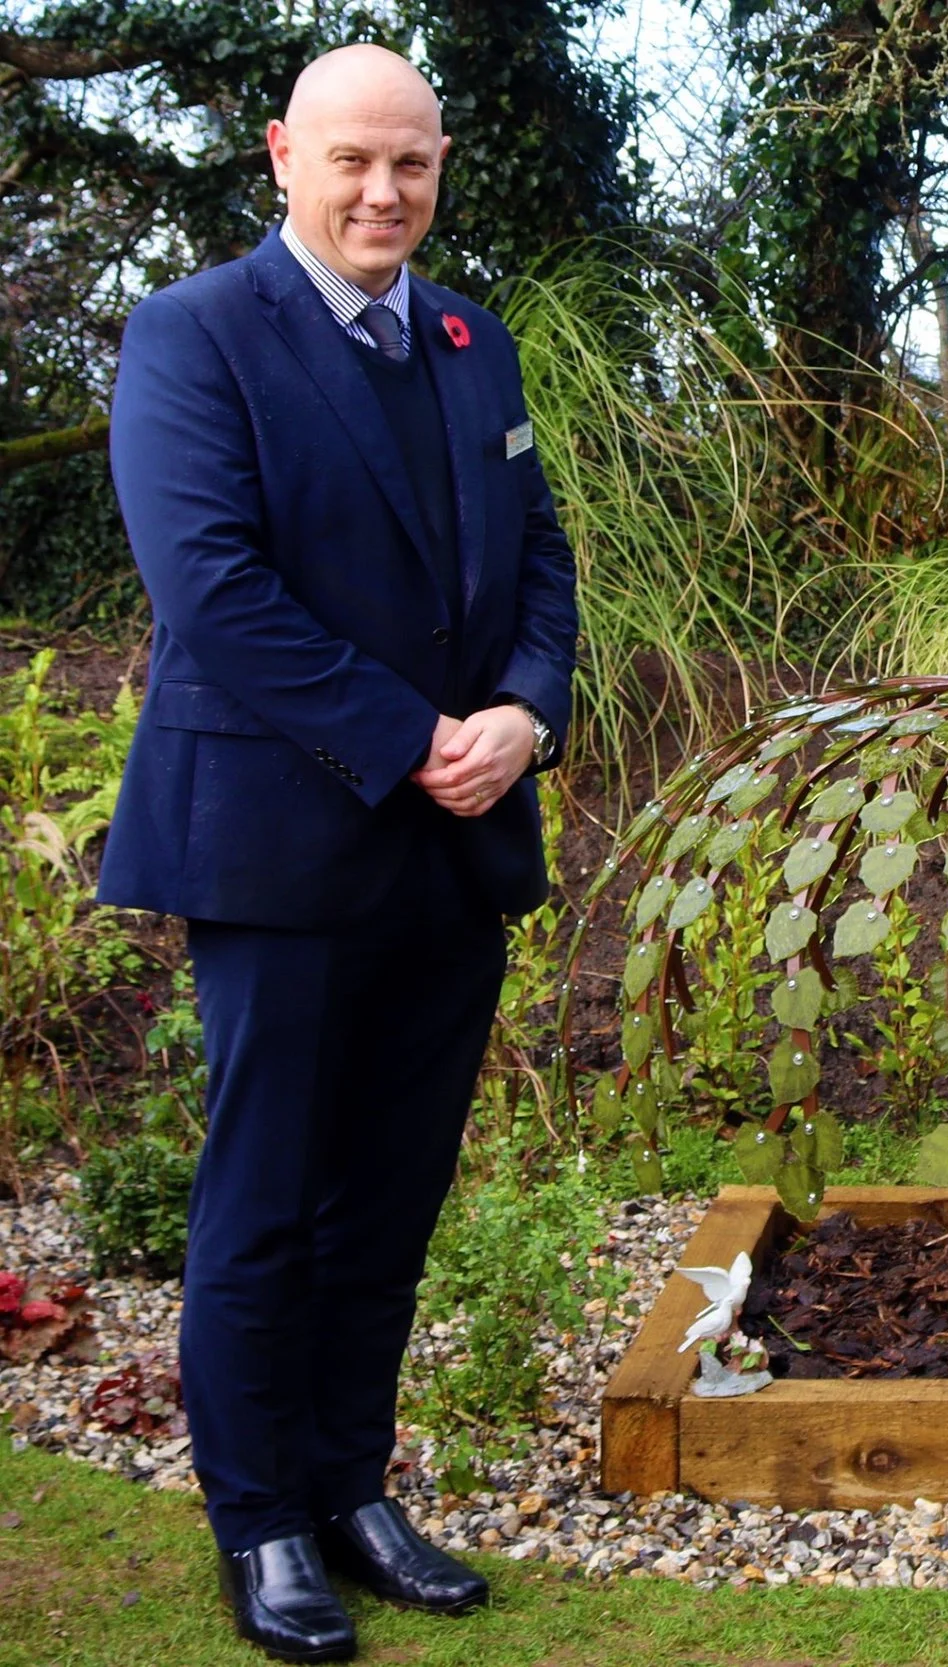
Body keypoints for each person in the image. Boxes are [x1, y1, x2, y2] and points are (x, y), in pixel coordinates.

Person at [99, 43, 577, 1663]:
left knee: (390, 1197)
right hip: (282, 849)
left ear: (442, 168)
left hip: (453, 853)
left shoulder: (471, 342)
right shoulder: (191, 337)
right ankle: (263, 1523)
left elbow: (543, 561)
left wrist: (522, 711)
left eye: (413, 166)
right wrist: (412, 739)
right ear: (281, 156)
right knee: (268, 1202)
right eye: (353, 162)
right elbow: (215, 591)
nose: (384, 193)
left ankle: (354, 1487)